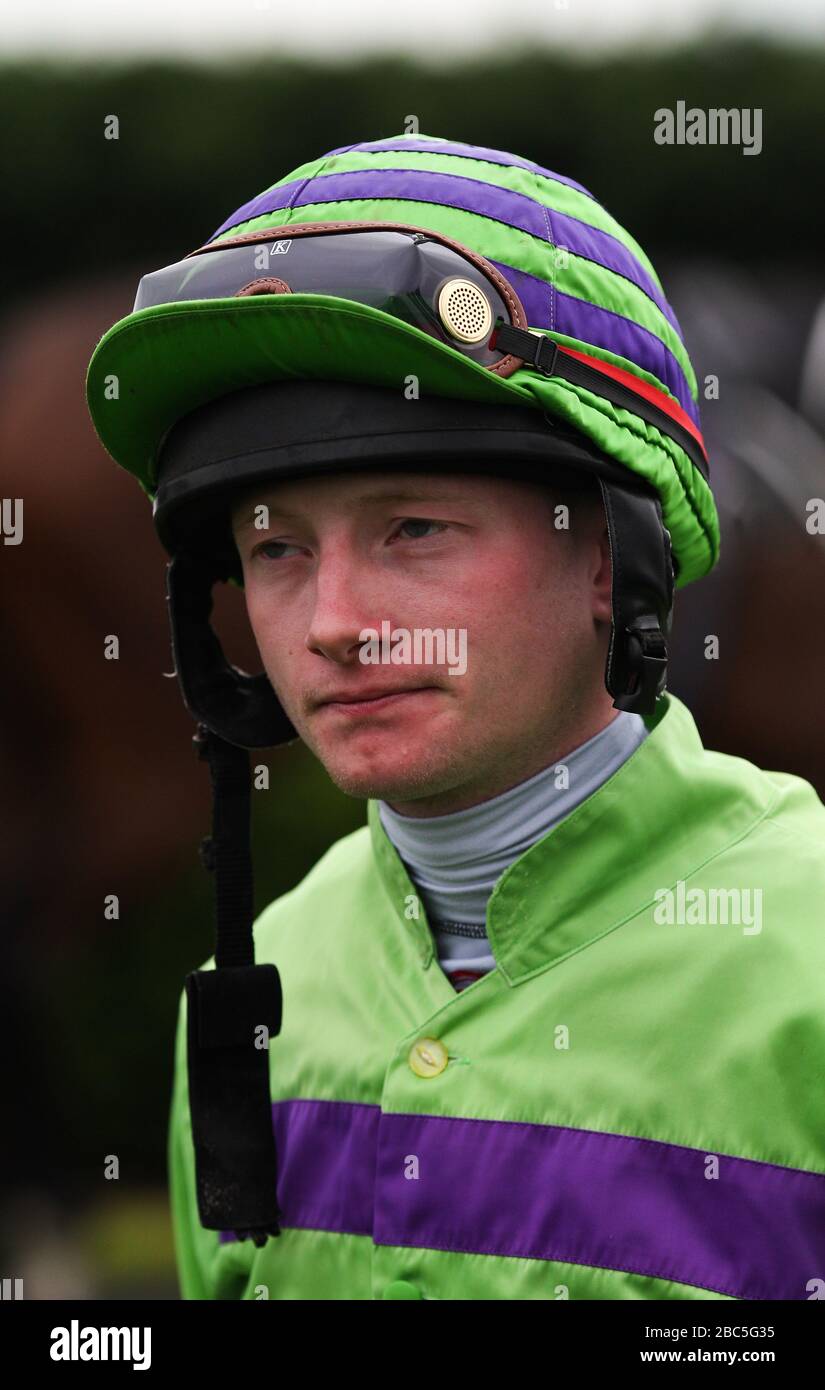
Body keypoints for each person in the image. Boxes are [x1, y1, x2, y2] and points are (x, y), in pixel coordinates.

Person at [85, 133, 825, 1301]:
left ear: (608, 562)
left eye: (414, 530)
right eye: (275, 548)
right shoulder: (256, 979)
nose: (332, 623)